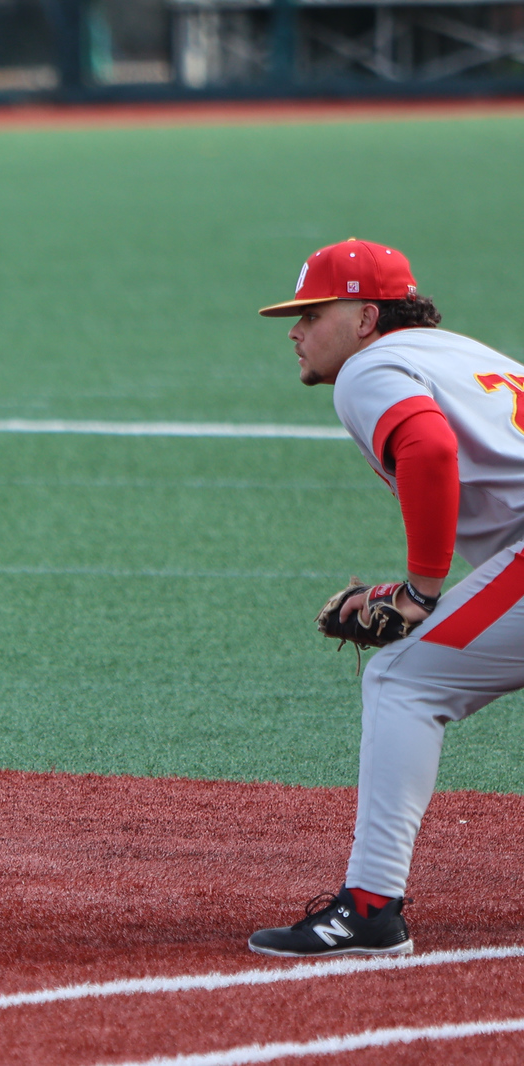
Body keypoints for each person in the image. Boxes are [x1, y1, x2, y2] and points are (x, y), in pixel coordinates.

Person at [248, 238, 524, 957]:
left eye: (312, 312)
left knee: (402, 681)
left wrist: (418, 592)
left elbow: (428, 451)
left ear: (366, 317)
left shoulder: (368, 369)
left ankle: (369, 908)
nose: (295, 329)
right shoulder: (466, 354)